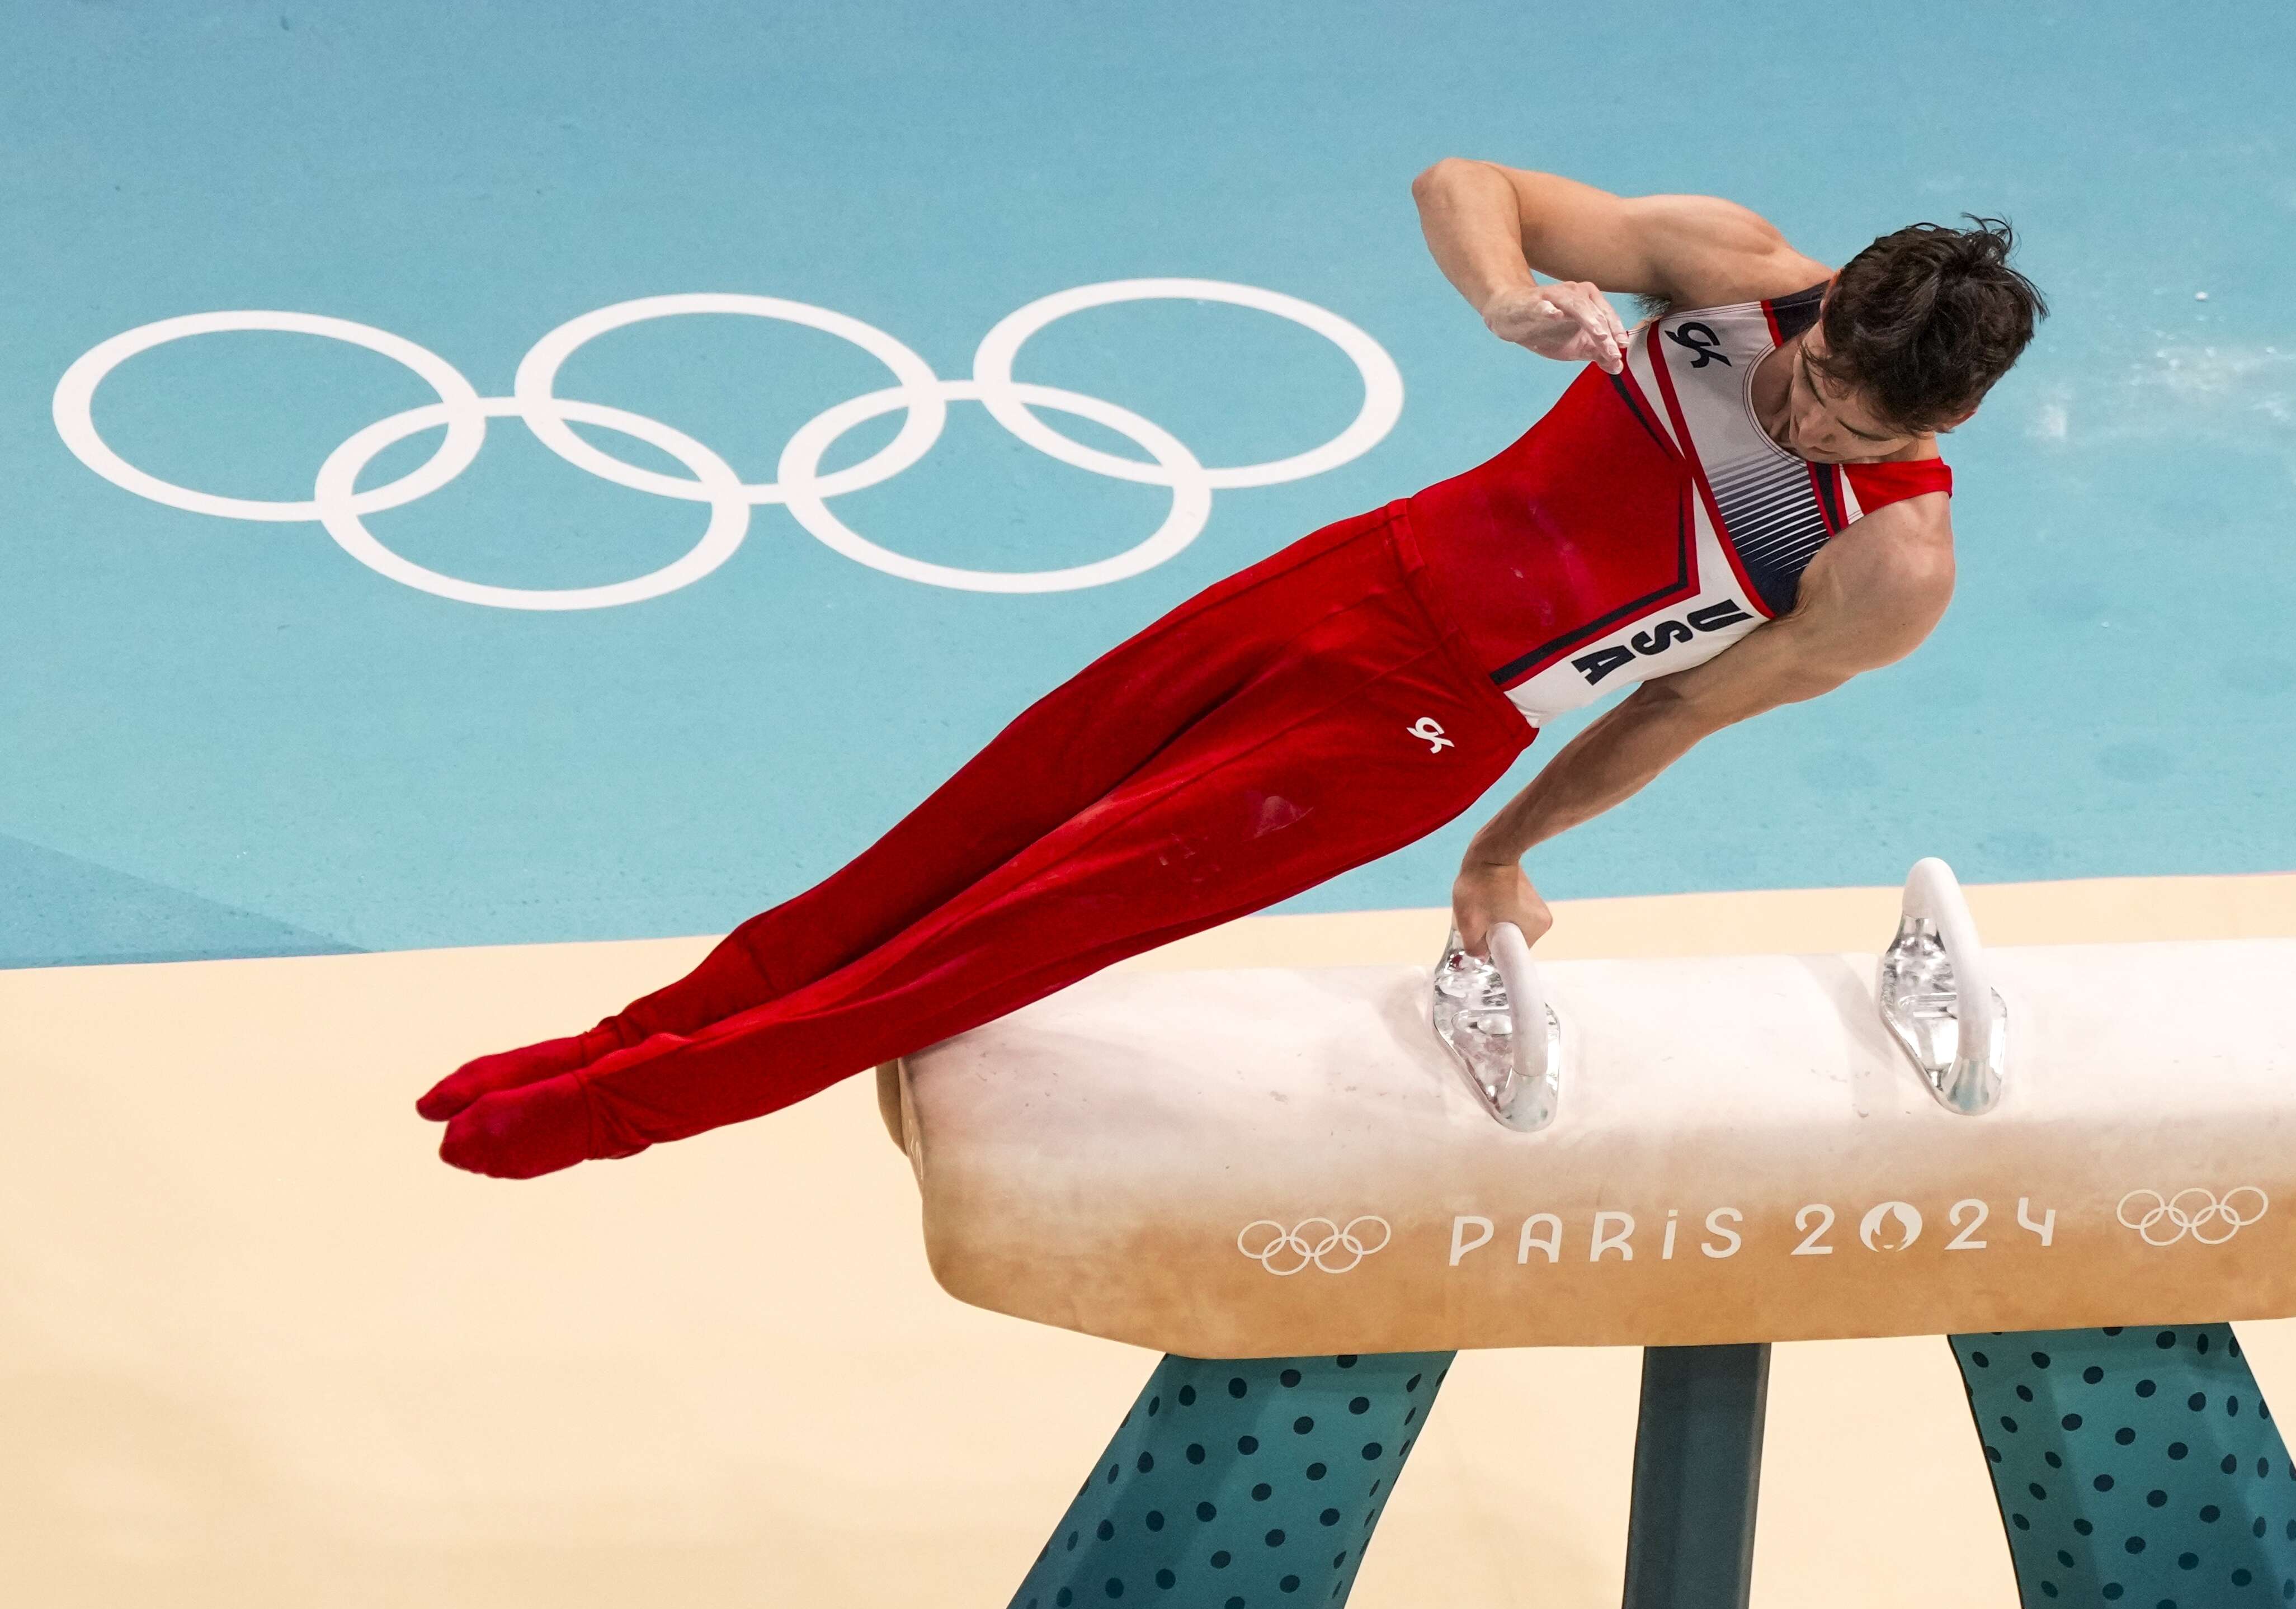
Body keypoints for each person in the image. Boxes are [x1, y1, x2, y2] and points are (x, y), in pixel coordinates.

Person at [418, 164, 2031, 1180]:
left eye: (1860, 432)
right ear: (1824, 310)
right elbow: (1465, 181)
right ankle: (623, 1037)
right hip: (1345, 572)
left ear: (1944, 430)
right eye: (1814, 385)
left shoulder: (1887, 568)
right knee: (963, 830)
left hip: (1416, 724)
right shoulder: (1733, 275)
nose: (1809, 427)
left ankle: (621, 1116)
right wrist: (1505, 298)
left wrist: (1501, 852)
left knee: (1018, 926)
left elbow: (1679, 705)